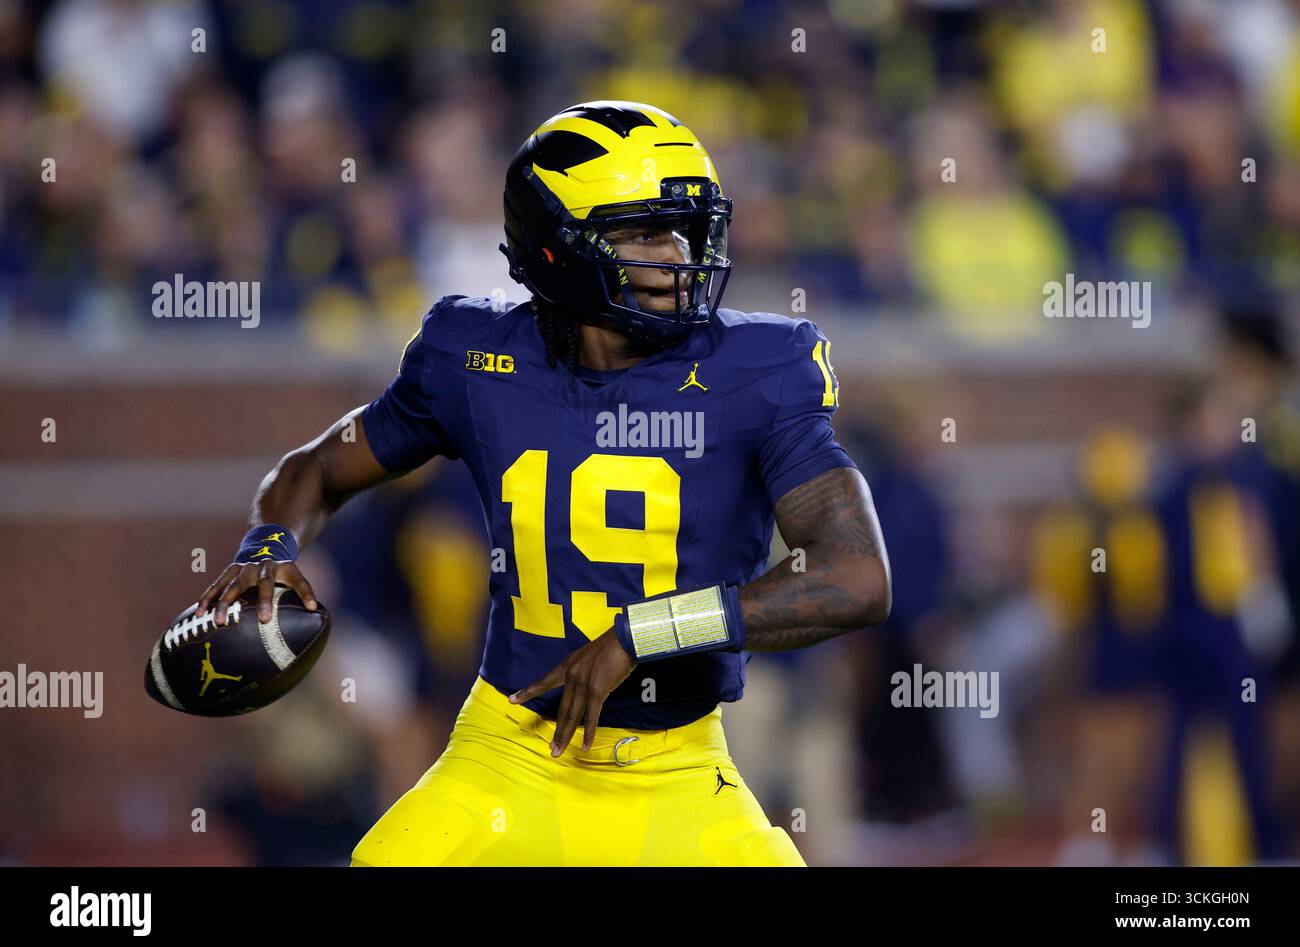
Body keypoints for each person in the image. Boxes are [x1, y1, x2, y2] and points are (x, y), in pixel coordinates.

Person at [194, 101, 891, 866]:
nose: (678, 252)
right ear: (559, 250)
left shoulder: (758, 367)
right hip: (509, 756)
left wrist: (648, 631)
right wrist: (269, 541)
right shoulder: (475, 357)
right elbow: (319, 467)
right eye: (644, 231)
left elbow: (855, 575)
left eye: (688, 228)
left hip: (679, 771)